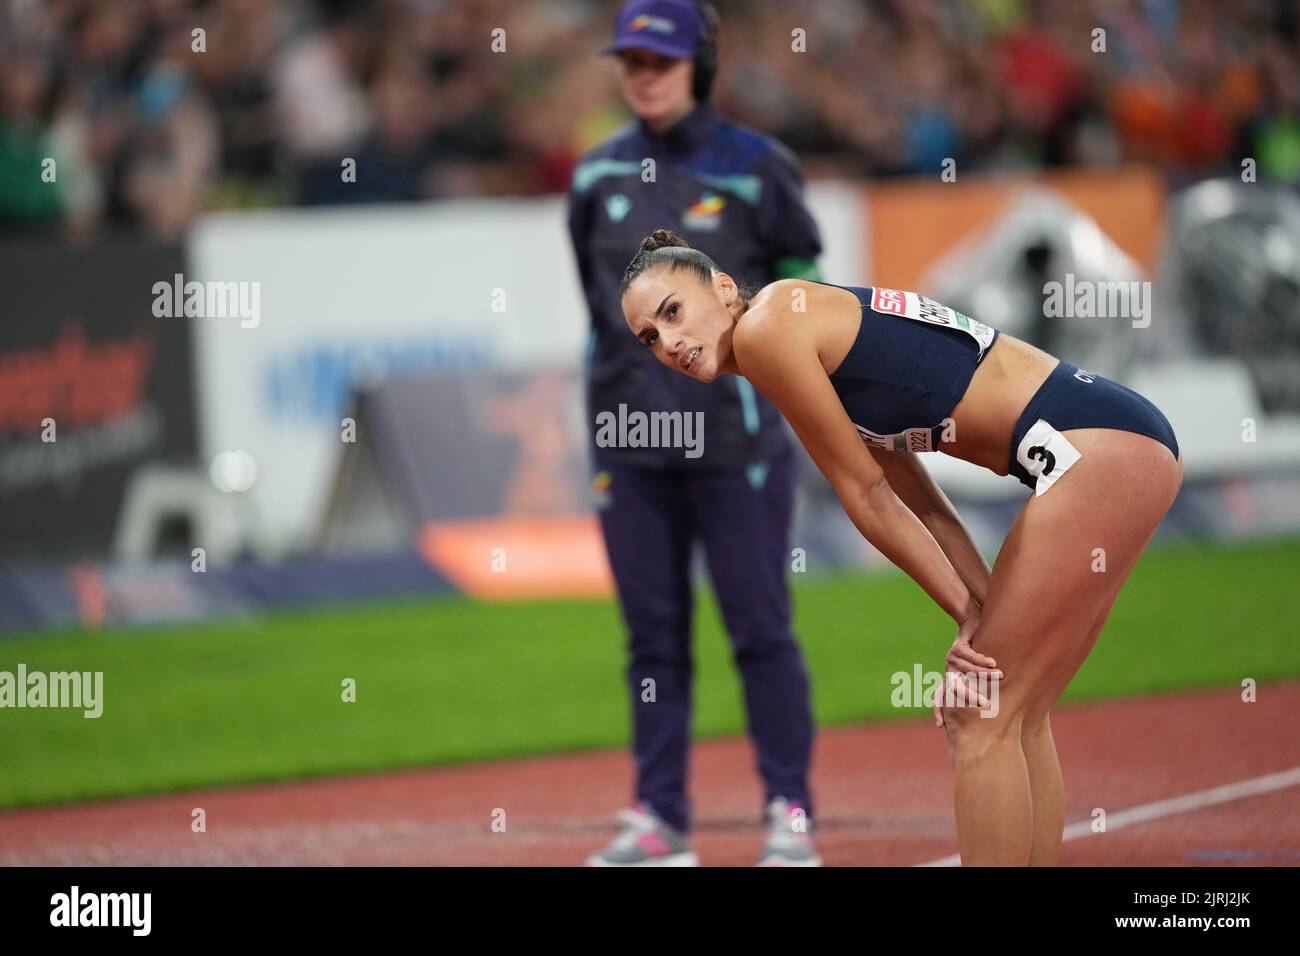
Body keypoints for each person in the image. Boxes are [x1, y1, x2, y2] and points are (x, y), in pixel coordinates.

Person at [619, 229, 1183, 866]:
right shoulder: (797, 329)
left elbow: (865, 496)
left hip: (1094, 454)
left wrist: (972, 619)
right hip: (1116, 442)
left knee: (977, 713)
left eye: (672, 312)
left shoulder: (768, 328)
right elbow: (920, 499)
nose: (668, 343)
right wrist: (978, 605)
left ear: (723, 287)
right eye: (649, 338)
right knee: (1016, 711)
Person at [566, 0, 825, 866]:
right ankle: (659, 818)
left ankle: (789, 810)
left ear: (700, 63)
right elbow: (603, 313)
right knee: (651, 635)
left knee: (759, 626)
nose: (642, 75)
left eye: (660, 60)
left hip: (737, 443)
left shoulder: (761, 169)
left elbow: (803, 296)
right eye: (630, 61)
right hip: (629, 447)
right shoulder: (595, 175)